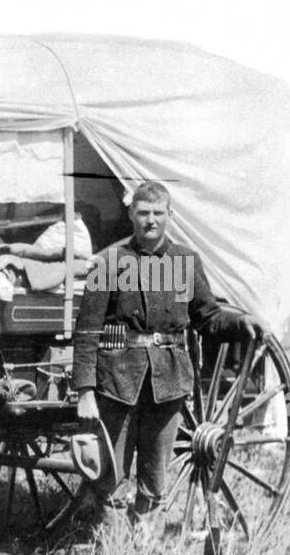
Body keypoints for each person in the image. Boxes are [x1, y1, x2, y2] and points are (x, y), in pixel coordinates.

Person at [72, 181, 263, 523]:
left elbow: (208, 318)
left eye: (158, 213)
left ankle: (141, 549)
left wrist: (240, 322)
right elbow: (87, 331)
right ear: (131, 214)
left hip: (168, 382)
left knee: (155, 480)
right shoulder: (107, 263)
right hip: (117, 383)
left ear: (170, 216)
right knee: (110, 478)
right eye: (143, 213)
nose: (150, 221)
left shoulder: (185, 262)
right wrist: (85, 391)